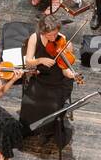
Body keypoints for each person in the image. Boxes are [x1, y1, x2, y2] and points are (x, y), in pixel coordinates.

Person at [20, 16, 78, 144]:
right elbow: (28, 62)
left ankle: (48, 131)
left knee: (52, 105)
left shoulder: (63, 42)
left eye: (55, 34)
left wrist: (72, 75)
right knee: (29, 102)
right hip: (41, 77)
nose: (53, 38)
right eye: (49, 35)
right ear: (42, 32)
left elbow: (65, 69)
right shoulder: (34, 38)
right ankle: (31, 129)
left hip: (59, 81)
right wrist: (40, 60)